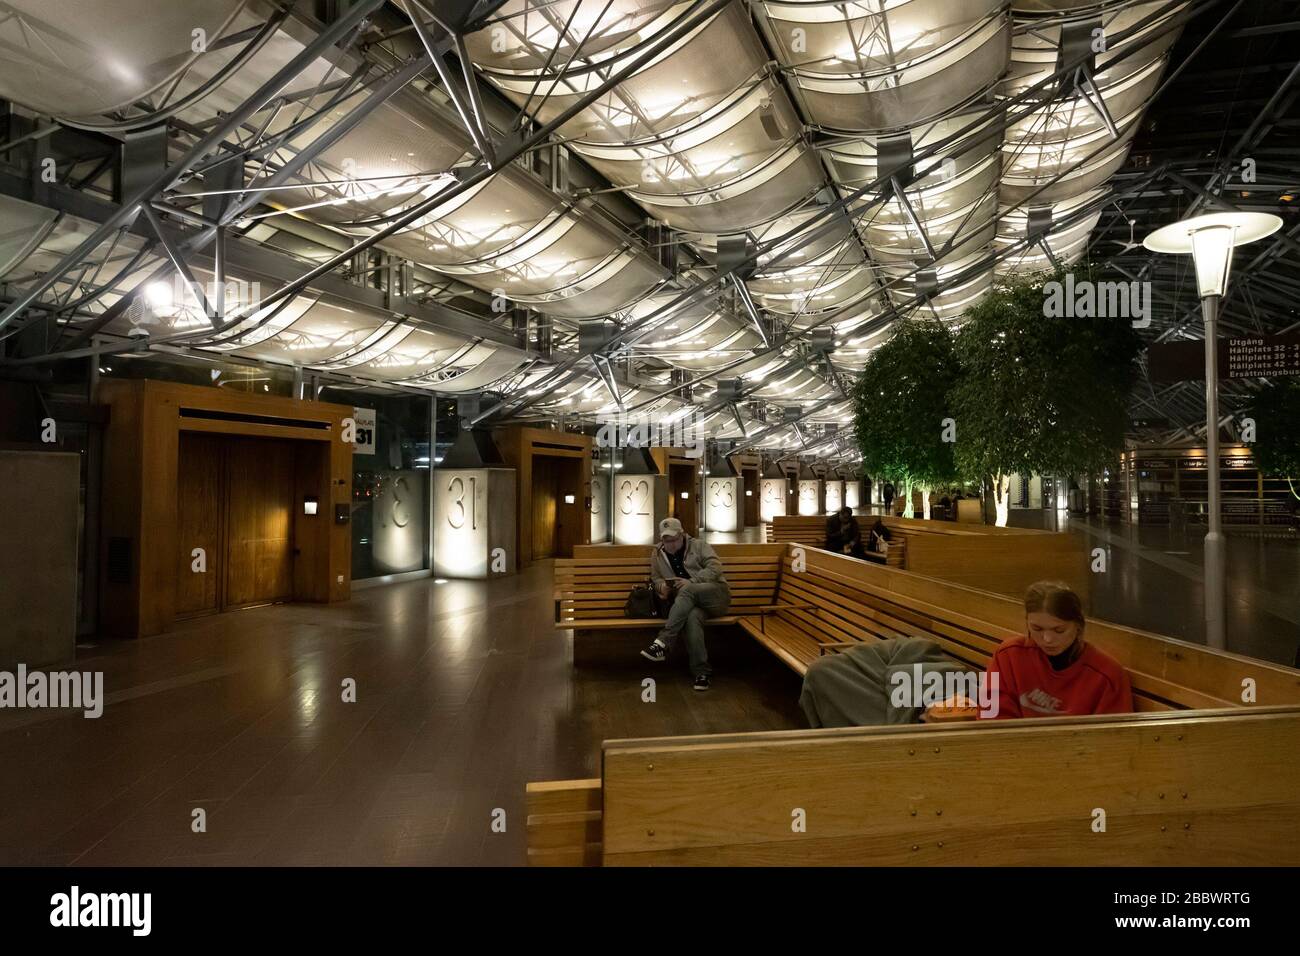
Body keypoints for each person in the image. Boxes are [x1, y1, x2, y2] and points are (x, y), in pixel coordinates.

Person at [980, 581, 1132, 719]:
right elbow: (990, 716)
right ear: (1027, 622)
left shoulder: (1107, 675)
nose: (1047, 639)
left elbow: (1113, 738)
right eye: (1037, 629)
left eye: (1059, 630)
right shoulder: (1007, 655)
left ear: (1078, 625)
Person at [640, 518, 730, 692]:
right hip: (690, 605)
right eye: (667, 541)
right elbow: (656, 577)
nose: (671, 545)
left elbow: (716, 567)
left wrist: (693, 581)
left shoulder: (698, 546)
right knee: (691, 618)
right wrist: (662, 587)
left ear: (682, 534)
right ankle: (702, 672)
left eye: (674, 540)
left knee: (688, 590)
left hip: (716, 595)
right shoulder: (657, 553)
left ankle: (663, 641)